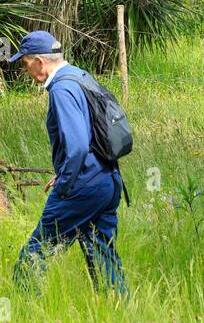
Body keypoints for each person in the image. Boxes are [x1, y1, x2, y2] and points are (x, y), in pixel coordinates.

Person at [10, 31, 128, 297]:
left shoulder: (61, 89)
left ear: (39, 61)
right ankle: (119, 309)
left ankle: (21, 313)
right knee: (101, 254)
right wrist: (65, 170)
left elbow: (76, 146)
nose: (26, 70)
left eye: (25, 63)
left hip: (82, 187)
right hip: (108, 180)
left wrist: (64, 185)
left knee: (35, 253)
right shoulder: (79, 76)